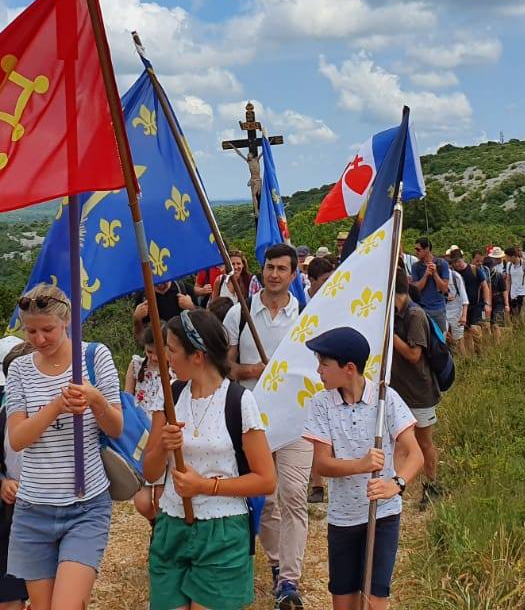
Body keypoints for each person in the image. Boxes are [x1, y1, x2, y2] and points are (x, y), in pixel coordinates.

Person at [143, 309, 277, 610]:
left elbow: (266, 480)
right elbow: (150, 471)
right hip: (171, 527)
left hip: (223, 531)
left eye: (173, 350)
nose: (166, 357)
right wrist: (164, 446)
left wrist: (205, 486)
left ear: (198, 356)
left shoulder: (239, 401)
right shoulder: (170, 396)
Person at [3, 282, 124, 610]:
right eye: (31, 331)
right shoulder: (19, 369)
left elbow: (116, 426)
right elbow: (18, 438)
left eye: (47, 330)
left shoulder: (95, 356)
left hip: (85, 505)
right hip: (33, 508)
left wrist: (95, 398)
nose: (39, 340)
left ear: (67, 321)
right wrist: (57, 405)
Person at [301, 327, 424, 610]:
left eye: (324, 364)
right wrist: (362, 465)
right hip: (343, 518)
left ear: (349, 368)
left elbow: (414, 453)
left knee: (375, 600)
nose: (318, 371)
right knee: (344, 603)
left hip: (383, 515)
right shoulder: (322, 404)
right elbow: (321, 463)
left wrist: (397, 484)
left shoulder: (385, 399)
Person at [223, 245, 309, 609]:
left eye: (281, 269)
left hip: (297, 420)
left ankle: (290, 580)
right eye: (269, 267)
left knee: (294, 495)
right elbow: (226, 369)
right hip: (252, 422)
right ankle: (275, 563)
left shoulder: (305, 317)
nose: (274, 274)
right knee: (269, 499)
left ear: (293, 275)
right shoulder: (238, 314)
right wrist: (251, 371)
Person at [0, 341, 34, 610]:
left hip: (52, 512)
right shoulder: (0, 417)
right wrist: (1, 481)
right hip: (13, 516)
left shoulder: (66, 419)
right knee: (7, 593)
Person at [388, 268, 441, 506]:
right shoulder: (394, 313)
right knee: (400, 442)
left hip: (419, 392)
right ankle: (396, 489)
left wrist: (389, 335)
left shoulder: (415, 315)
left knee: (423, 441)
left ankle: (432, 484)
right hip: (399, 391)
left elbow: (414, 354)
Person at [123, 302, 168, 522]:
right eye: (150, 352)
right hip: (140, 438)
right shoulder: (135, 366)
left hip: (161, 438)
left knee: (161, 499)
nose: (154, 357)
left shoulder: (174, 373)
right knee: (141, 501)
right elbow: (127, 400)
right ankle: (154, 523)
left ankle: (159, 535)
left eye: (158, 352)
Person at [408, 237, 450, 327]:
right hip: (422, 309)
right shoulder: (416, 266)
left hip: (438, 309)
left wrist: (435, 274)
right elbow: (416, 289)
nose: (416, 251)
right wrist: (425, 276)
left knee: (440, 339)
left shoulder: (442, 264)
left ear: (427, 249)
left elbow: (444, 289)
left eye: (418, 249)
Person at [442, 246, 469, 355]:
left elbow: (464, 298)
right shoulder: (437, 277)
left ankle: (464, 361)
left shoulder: (455, 276)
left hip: (457, 312)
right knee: (443, 338)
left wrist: (464, 316)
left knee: (458, 340)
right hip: (443, 312)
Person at [462, 249, 490, 353]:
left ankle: (480, 351)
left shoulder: (484, 270)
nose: (479, 263)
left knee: (477, 327)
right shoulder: (465, 270)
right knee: (467, 331)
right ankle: (470, 354)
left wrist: (487, 303)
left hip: (479, 305)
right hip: (465, 307)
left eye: (481, 261)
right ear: (472, 259)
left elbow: (487, 287)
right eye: (477, 261)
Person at [485, 247, 507, 337]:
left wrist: (506, 304)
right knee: (488, 324)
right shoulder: (483, 276)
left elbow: (504, 290)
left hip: (498, 300)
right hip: (486, 302)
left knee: (497, 323)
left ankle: (498, 343)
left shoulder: (498, 275)